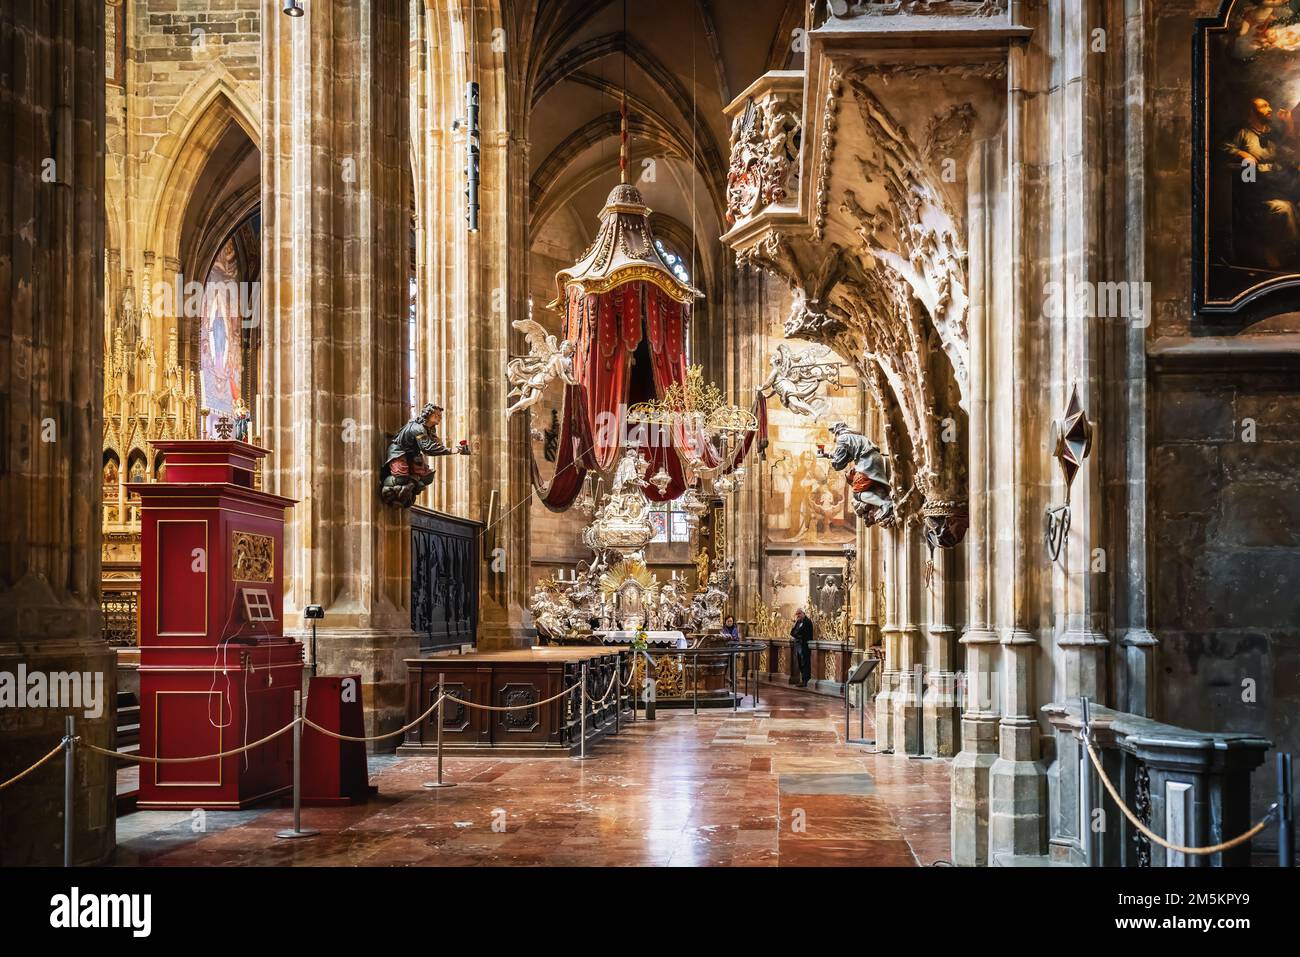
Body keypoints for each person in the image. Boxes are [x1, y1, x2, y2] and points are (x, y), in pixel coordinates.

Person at [790, 608, 813, 687]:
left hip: (804, 646)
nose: (798, 615)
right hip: (798, 646)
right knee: (800, 663)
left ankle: (806, 680)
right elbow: (792, 632)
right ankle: (802, 680)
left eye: (799, 613)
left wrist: (797, 635)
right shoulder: (798, 622)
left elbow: (802, 633)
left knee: (805, 664)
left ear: (803, 613)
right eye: (797, 614)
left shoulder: (807, 622)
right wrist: (797, 634)